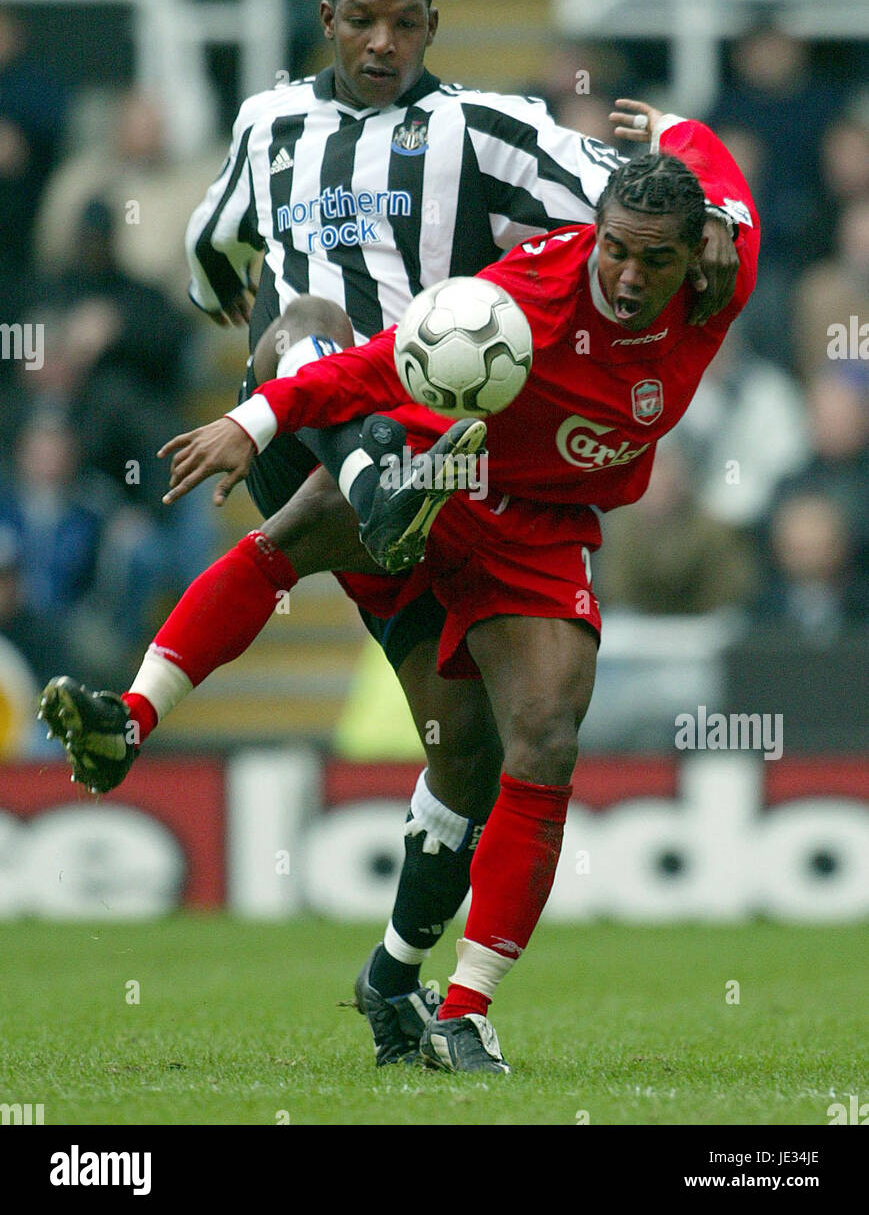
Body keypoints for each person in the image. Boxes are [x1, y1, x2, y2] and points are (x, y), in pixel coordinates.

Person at [40, 98, 759, 1074]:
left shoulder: (724, 267)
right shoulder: (524, 296)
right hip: (446, 474)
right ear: (592, 233)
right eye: (613, 251)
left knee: (528, 738)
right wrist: (252, 425)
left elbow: (710, 163)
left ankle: (454, 1003)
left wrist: (676, 127)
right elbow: (379, 367)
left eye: (654, 260)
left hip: (543, 528)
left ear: (695, 257)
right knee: (313, 510)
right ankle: (130, 715)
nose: (627, 278)